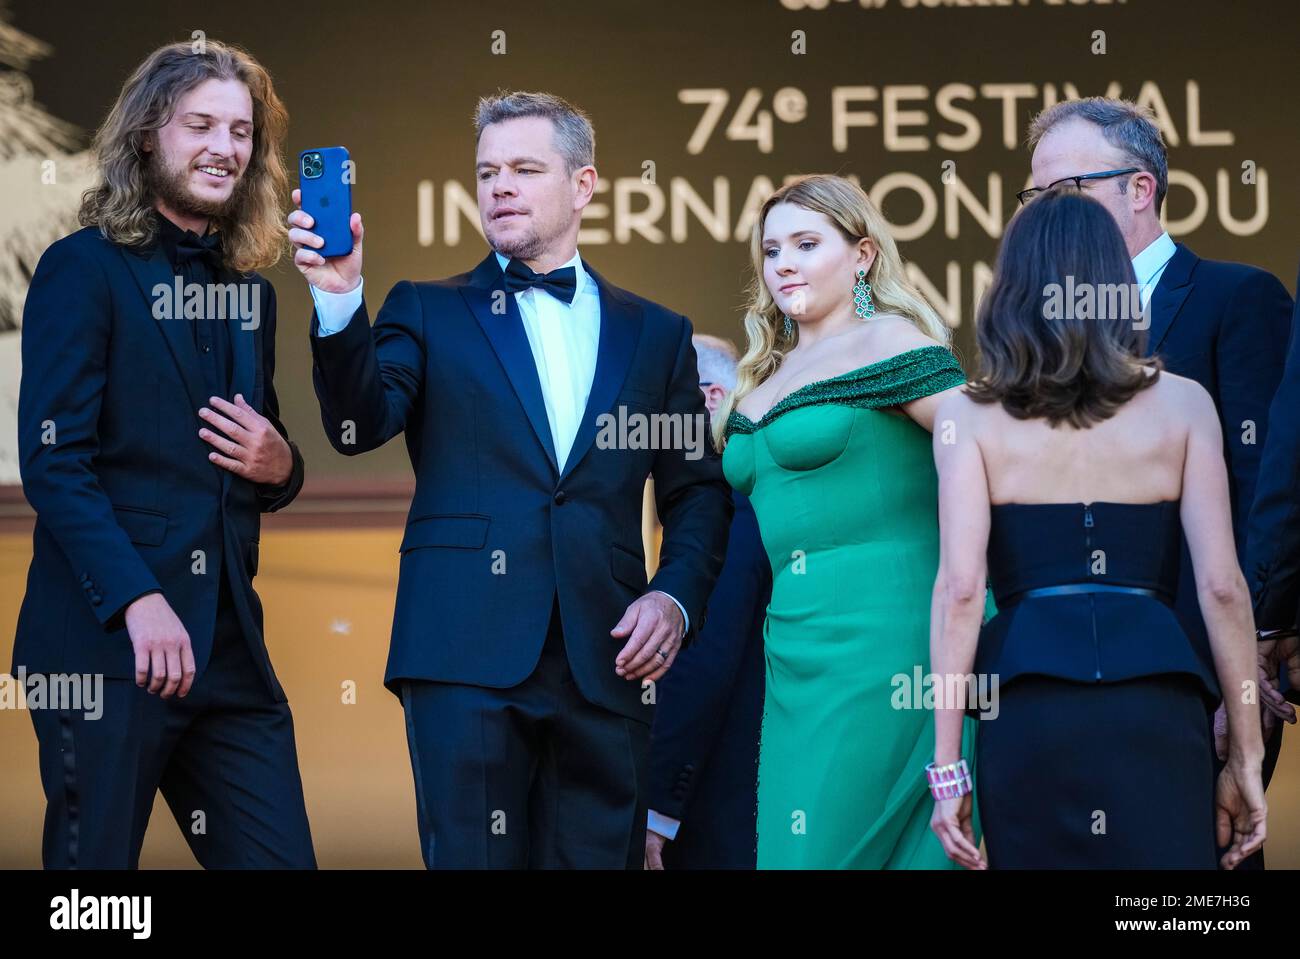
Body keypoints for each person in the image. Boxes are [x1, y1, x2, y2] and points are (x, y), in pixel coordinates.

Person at [290, 90, 732, 868]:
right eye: (488, 171)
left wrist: (675, 595)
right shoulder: (427, 309)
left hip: (610, 655)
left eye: (525, 169)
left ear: (585, 185)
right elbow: (357, 427)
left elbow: (696, 491)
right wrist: (337, 300)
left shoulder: (658, 333)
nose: (500, 186)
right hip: (464, 654)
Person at [14, 40, 314, 868]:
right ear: (148, 135)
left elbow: (268, 455)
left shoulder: (250, 291)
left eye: (242, 131)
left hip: (227, 657)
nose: (225, 146)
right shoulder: (83, 270)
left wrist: (281, 465)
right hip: (108, 649)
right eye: (201, 125)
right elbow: (53, 461)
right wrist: (137, 599)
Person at [929, 189, 1267, 870]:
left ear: (1011, 287)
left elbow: (962, 589)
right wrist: (1247, 753)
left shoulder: (968, 415)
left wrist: (947, 770)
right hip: (1159, 704)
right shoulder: (1185, 404)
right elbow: (1224, 587)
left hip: (1027, 709)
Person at [1024, 98, 1293, 867]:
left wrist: (1233, 684)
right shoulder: (1035, 333)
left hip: (1194, 684)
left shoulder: (1235, 298)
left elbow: (1262, 497)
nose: (1048, 217)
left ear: (1138, 189)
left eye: (1064, 193)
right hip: (1061, 691)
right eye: (1034, 198)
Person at [714, 173, 979, 869]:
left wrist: (969, 588)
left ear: (862, 256)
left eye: (807, 243)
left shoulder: (893, 343)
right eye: (772, 250)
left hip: (888, 643)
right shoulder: (760, 376)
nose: (784, 265)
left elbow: (980, 448)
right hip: (794, 650)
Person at [644, 334, 770, 870]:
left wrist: (656, 809)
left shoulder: (729, 499)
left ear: (712, 400)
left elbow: (700, 660)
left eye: (655, 402)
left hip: (718, 811)